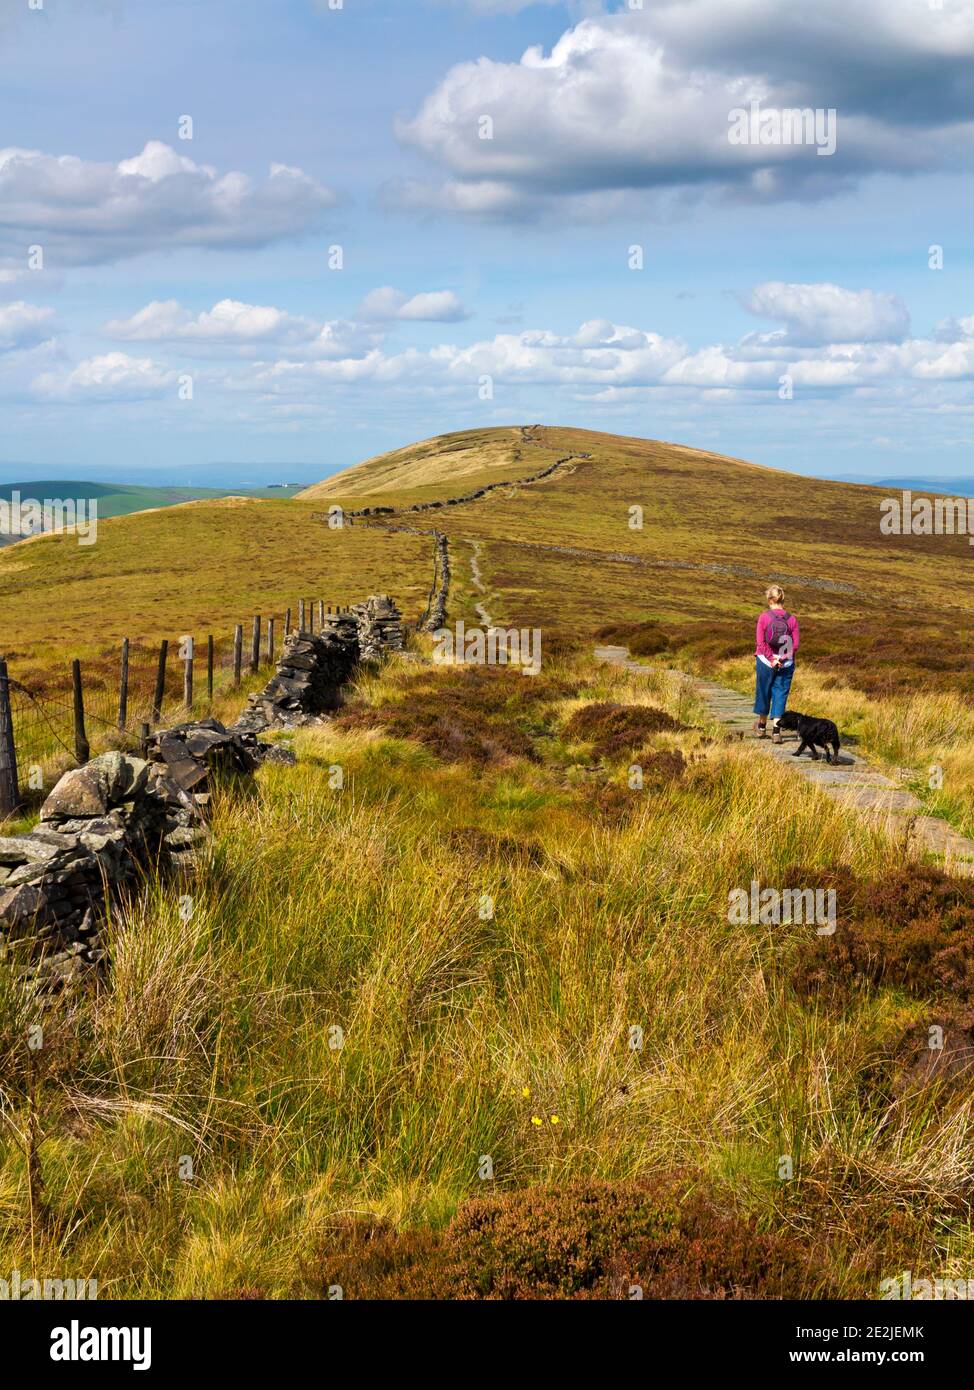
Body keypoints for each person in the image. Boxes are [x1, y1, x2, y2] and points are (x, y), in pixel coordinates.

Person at [753, 584, 799, 744]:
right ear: (782, 599)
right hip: (786, 664)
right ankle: (776, 732)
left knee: (764, 692)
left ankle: (761, 726)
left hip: (765, 661)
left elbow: (760, 643)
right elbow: (795, 645)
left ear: (770, 600)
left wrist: (772, 659)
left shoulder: (764, 617)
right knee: (780, 694)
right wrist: (782, 659)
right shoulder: (792, 619)